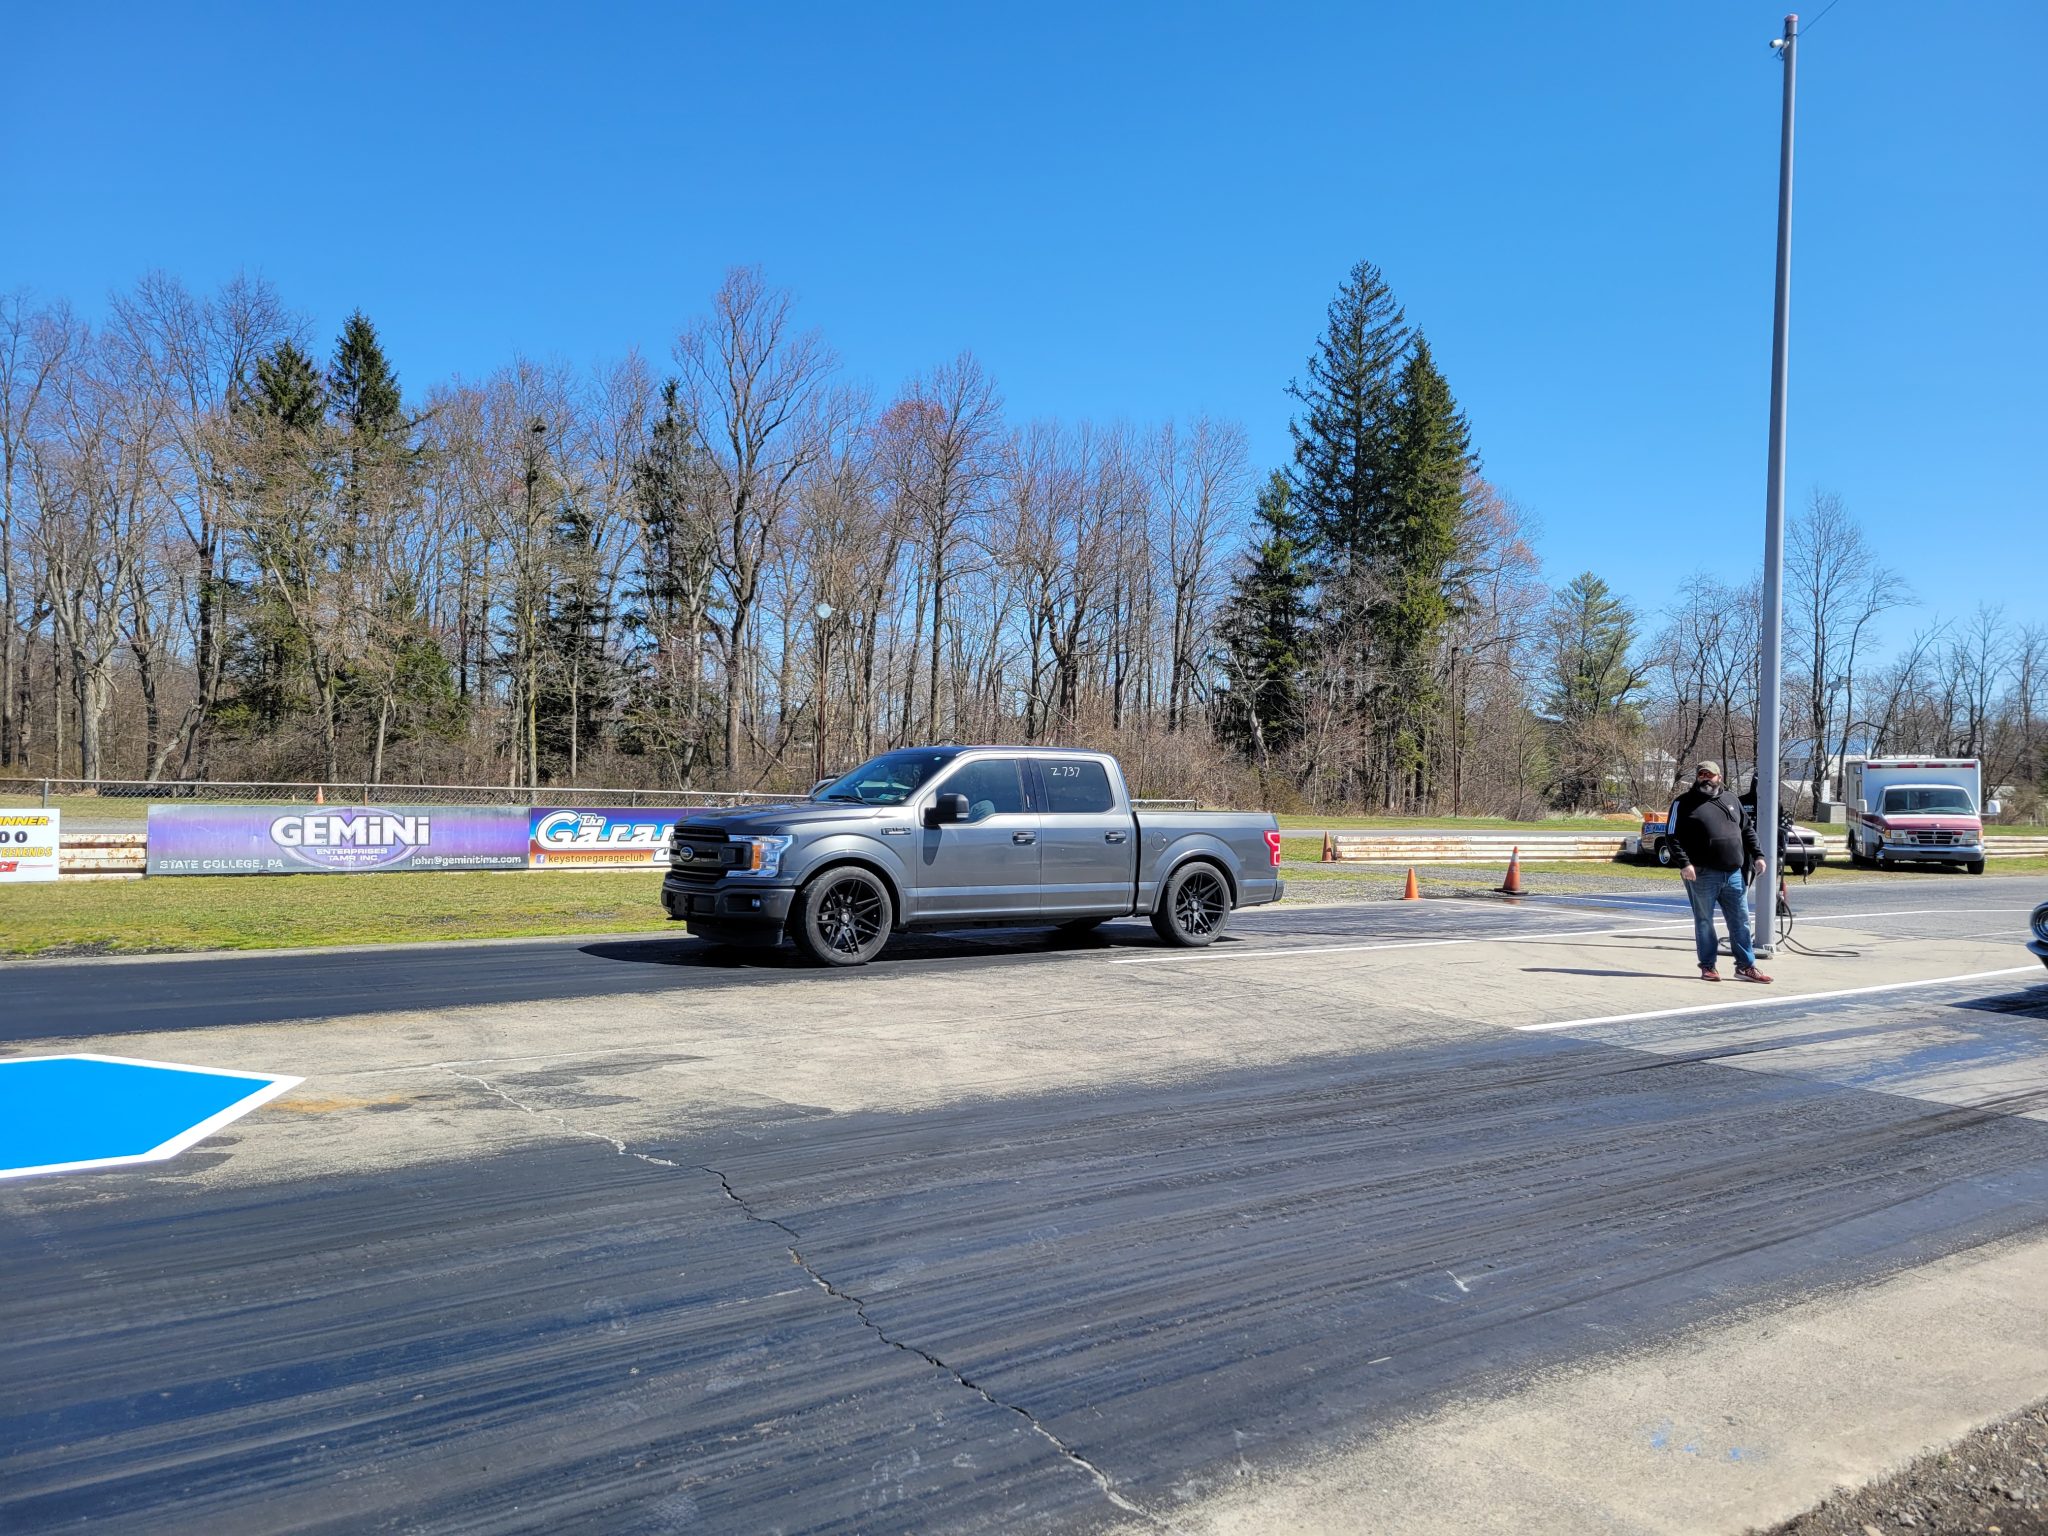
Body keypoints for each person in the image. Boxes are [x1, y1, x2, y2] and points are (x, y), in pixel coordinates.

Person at [1667, 761, 1772, 983]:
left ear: (1719, 777)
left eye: (1710, 775)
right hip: (1702, 874)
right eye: (1702, 774)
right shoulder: (1683, 803)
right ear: (1697, 777)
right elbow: (1671, 836)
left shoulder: (1731, 800)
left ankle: (1745, 966)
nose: (1706, 778)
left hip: (1734, 873)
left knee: (1741, 921)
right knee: (1704, 921)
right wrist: (1684, 863)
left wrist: (1759, 856)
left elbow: (1747, 830)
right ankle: (1708, 966)